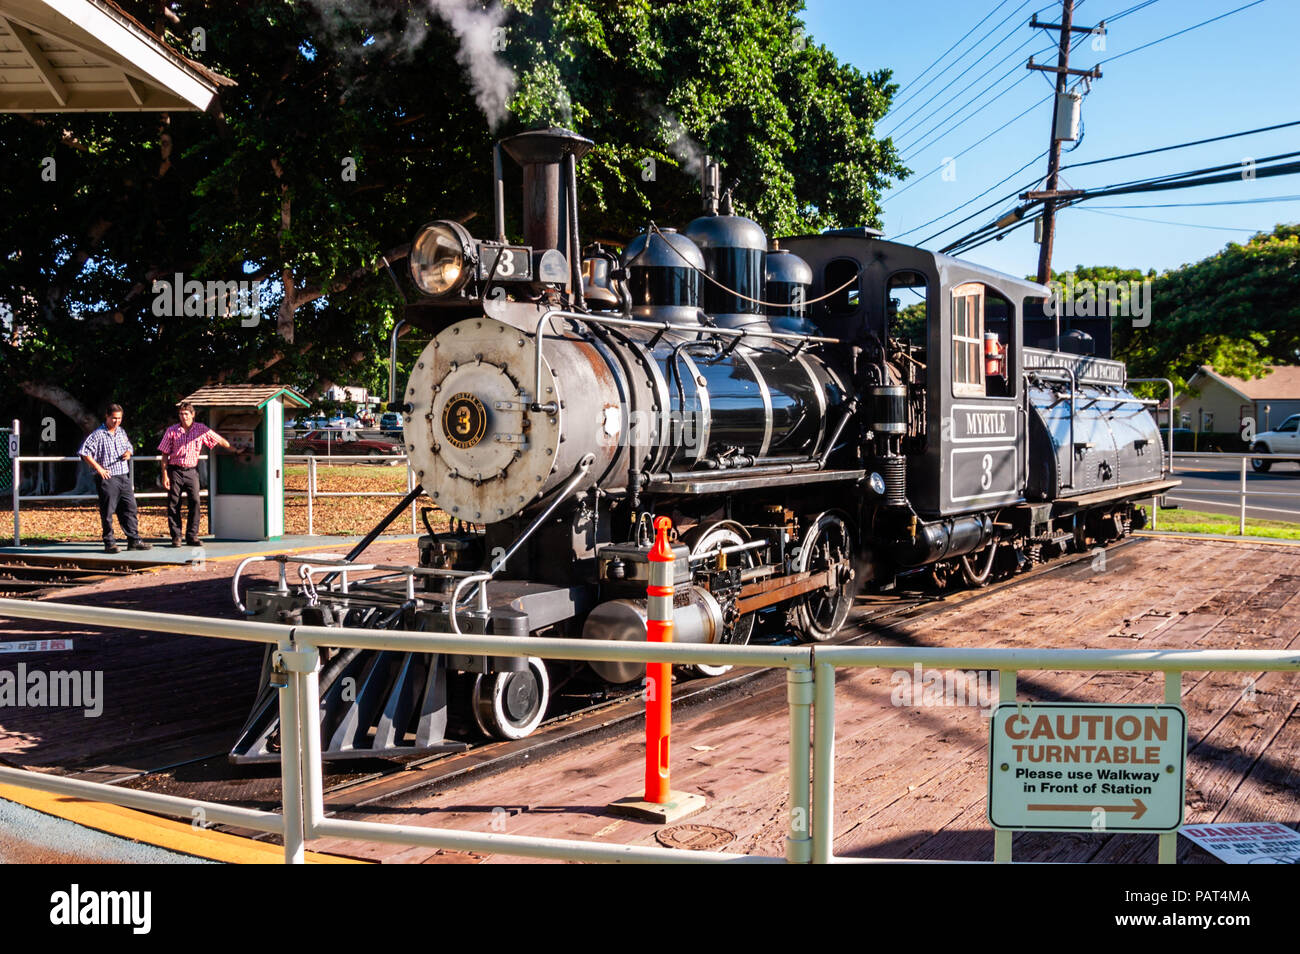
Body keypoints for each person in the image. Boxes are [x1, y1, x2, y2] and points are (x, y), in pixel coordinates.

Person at [79, 404, 152, 554]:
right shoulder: (98, 434)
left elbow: (129, 447)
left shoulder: (121, 432)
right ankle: (109, 542)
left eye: (119, 419)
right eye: (113, 418)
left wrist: (128, 453)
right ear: (107, 416)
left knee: (130, 508)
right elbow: (84, 452)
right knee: (108, 511)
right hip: (108, 477)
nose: (116, 422)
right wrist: (98, 468)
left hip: (123, 476)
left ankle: (134, 540)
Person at [158, 402, 231, 547]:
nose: (183, 417)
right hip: (175, 470)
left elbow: (218, 439)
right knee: (174, 504)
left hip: (191, 471)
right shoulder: (172, 431)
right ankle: (176, 536)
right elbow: (165, 454)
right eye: (181, 414)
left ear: (192, 414)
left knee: (195, 502)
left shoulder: (200, 429)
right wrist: (165, 475)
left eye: (186, 414)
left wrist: (233, 448)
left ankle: (192, 535)